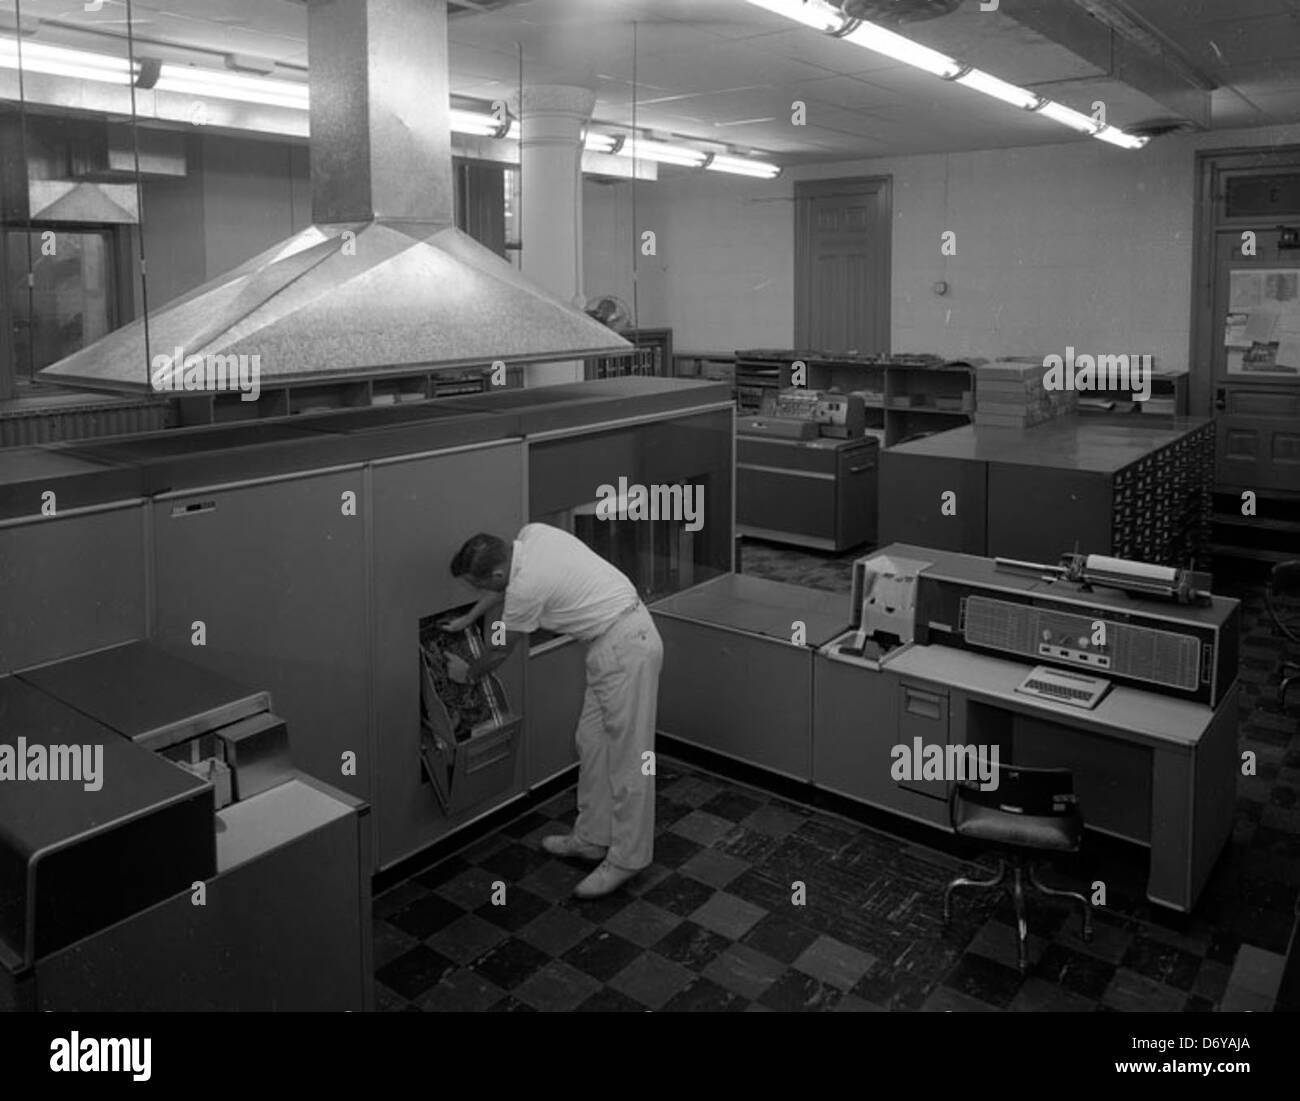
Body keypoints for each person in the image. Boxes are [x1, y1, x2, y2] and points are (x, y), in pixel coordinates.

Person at [442, 524, 663, 899]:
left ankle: (628, 859)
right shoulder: (532, 535)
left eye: (479, 586)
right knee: (591, 743)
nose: (482, 593)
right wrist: (467, 619)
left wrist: (467, 673)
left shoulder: (527, 588)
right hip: (612, 644)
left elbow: (499, 648)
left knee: (631, 758)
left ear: (497, 573)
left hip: (627, 649)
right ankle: (592, 838)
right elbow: (503, 591)